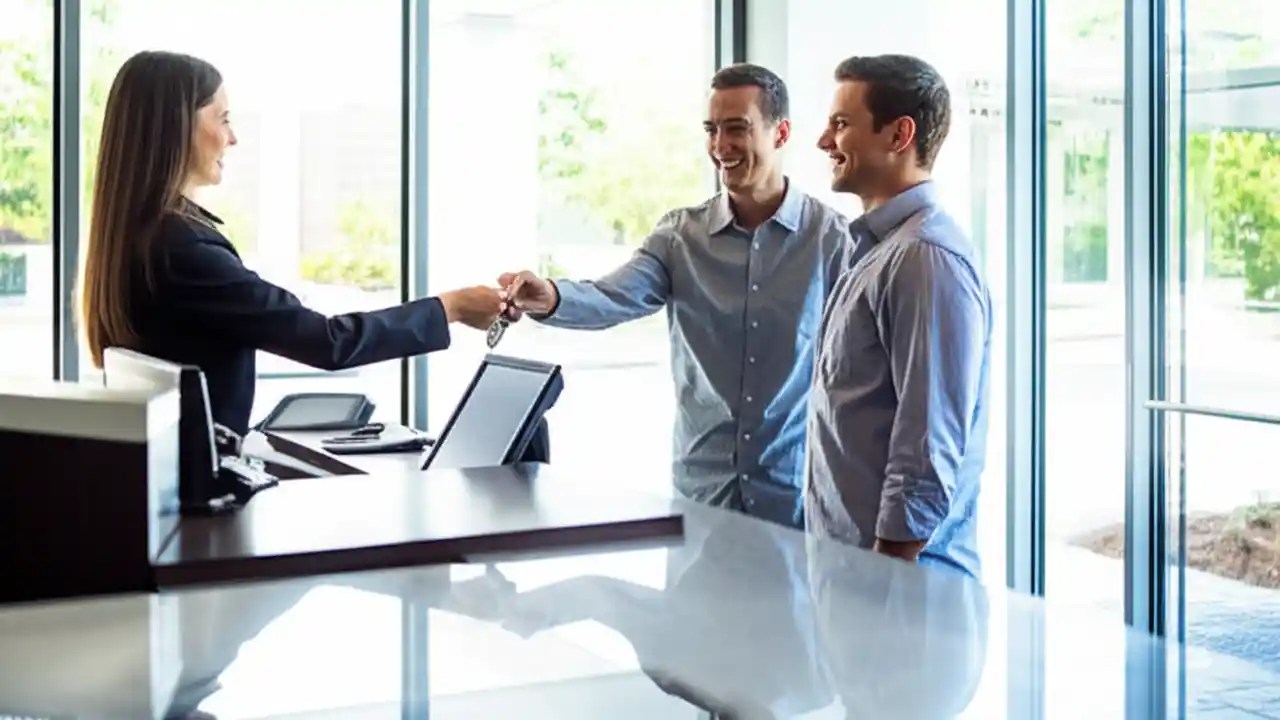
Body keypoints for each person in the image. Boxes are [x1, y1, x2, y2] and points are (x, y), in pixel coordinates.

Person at [498, 64, 852, 529]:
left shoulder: (832, 240)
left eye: (737, 129)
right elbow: (613, 296)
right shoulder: (680, 236)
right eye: (711, 130)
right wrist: (549, 296)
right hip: (701, 497)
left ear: (780, 132)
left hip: (797, 502)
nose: (720, 146)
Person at [80, 51, 505, 435]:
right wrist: (453, 307)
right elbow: (328, 341)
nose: (233, 138)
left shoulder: (140, 236)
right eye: (223, 118)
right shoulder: (181, 249)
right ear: (177, 125)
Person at [805, 54, 993, 578]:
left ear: (899, 134)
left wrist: (884, 590)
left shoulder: (925, 259)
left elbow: (926, 449)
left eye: (841, 124)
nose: (824, 141)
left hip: (896, 597)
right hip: (853, 585)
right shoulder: (876, 249)